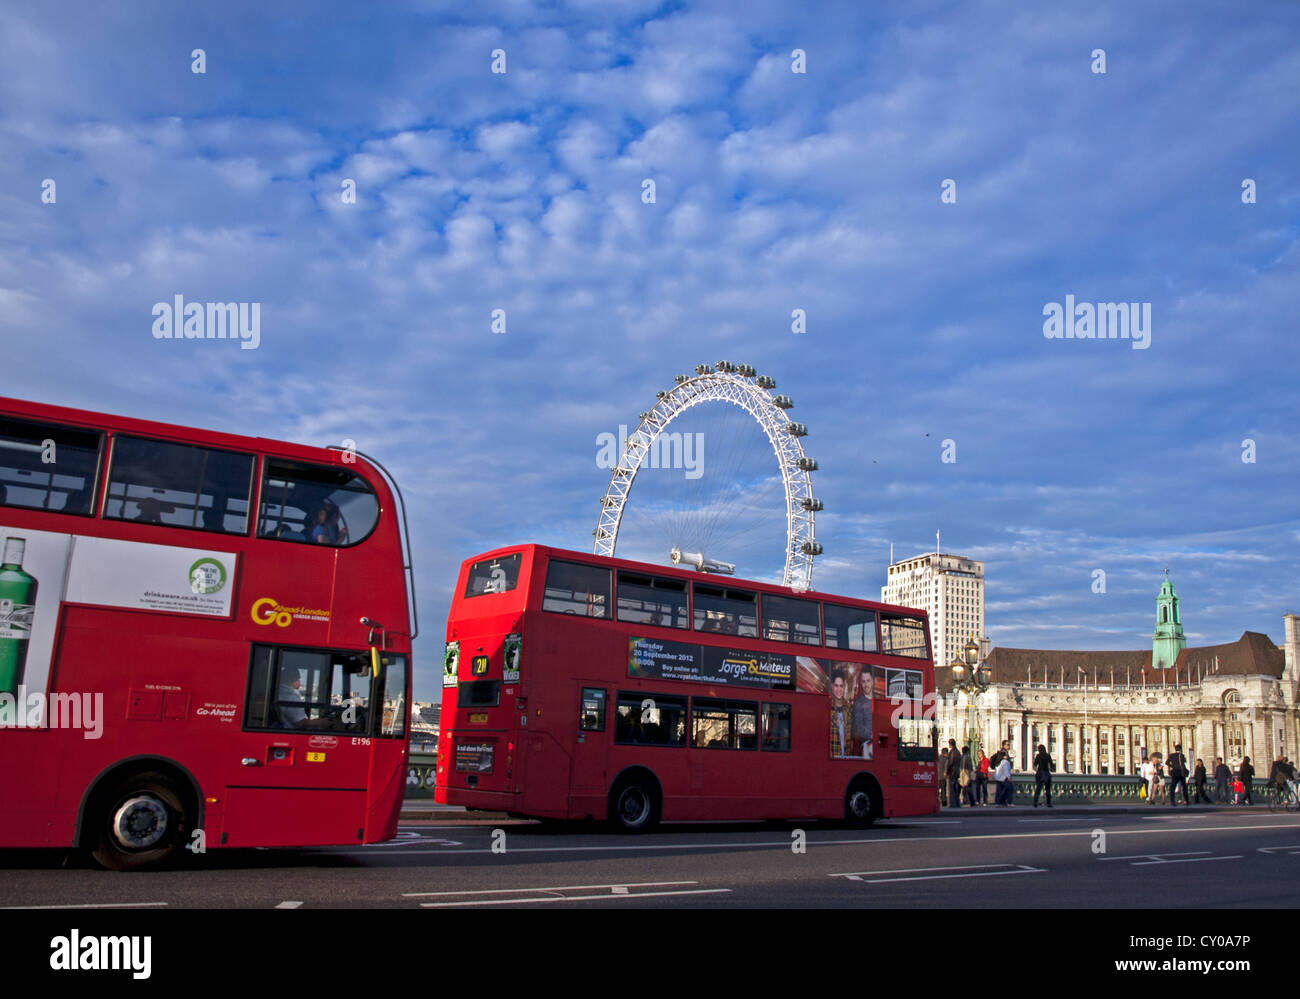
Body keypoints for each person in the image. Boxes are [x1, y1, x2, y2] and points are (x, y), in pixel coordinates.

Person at [851, 669, 873, 759]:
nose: (866, 685)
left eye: (868, 681)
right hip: (866, 749)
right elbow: (859, 729)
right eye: (863, 681)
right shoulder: (858, 703)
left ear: (872, 681)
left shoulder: (877, 699)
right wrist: (872, 735)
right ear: (860, 683)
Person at [829, 673, 852, 757]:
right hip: (831, 759)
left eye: (841, 686)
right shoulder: (827, 707)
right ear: (832, 686)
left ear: (844, 687)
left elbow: (851, 738)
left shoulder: (848, 709)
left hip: (845, 759)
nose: (839, 689)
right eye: (836, 686)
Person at [946, 738, 962, 808]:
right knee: (955, 789)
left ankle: (953, 803)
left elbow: (951, 762)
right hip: (956, 771)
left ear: (950, 744)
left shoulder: (953, 752)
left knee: (952, 789)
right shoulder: (957, 751)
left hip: (953, 772)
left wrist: (947, 770)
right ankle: (957, 803)